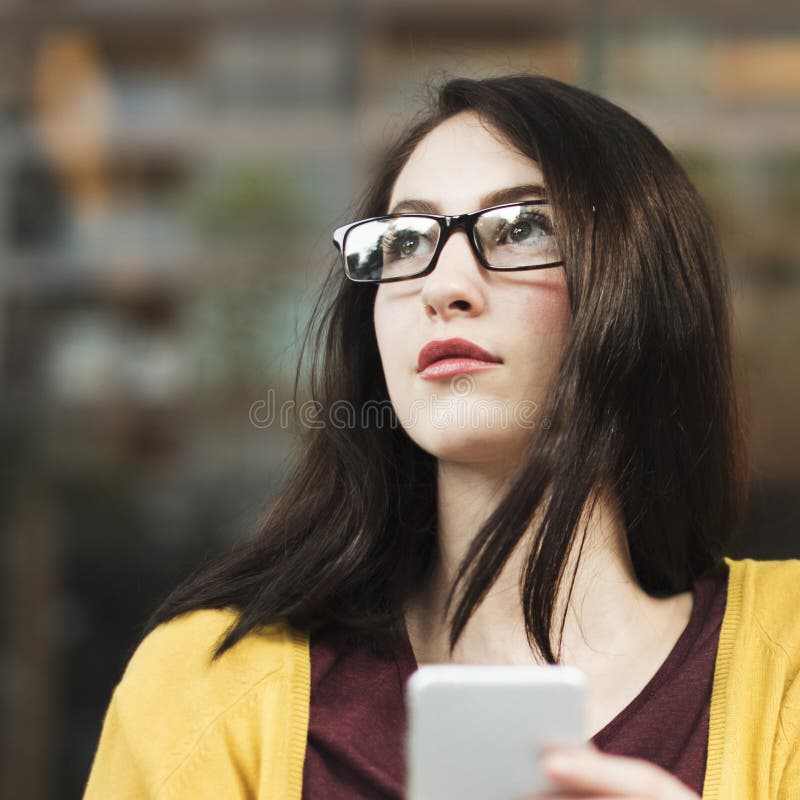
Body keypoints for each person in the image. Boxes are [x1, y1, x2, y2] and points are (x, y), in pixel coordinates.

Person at [83, 74, 800, 799]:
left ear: (645, 283)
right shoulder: (206, 686)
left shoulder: (788, 659)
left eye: (522, 227)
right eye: (404, 241)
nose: (441, 285)